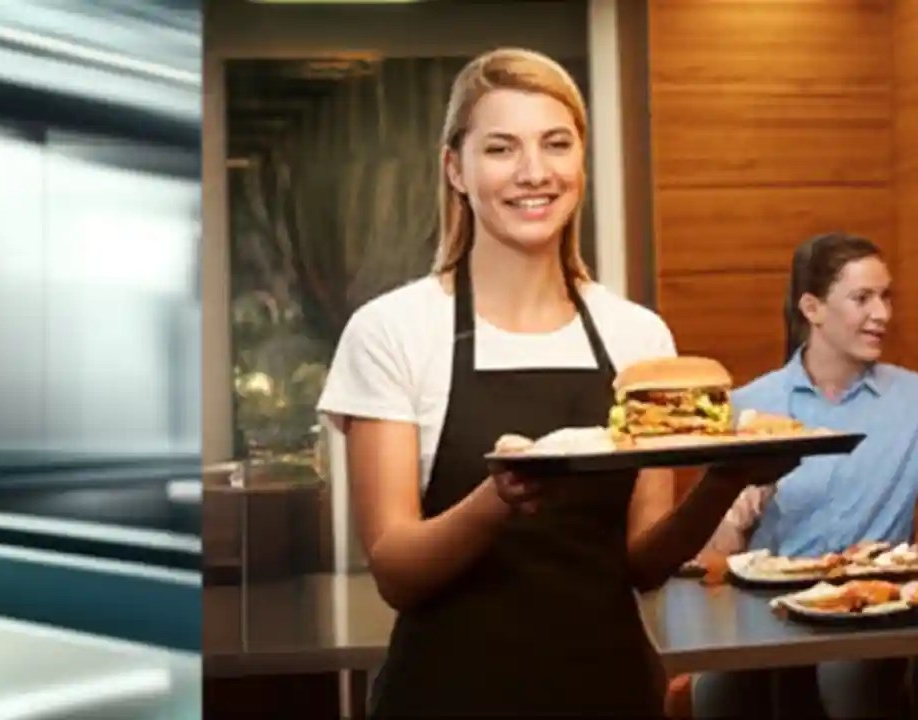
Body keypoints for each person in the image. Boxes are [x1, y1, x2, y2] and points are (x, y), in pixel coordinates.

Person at [315, 47, 791, 718]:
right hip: (446, 696)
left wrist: (725, 480)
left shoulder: (637, 337)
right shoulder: (393, 330)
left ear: (581, 163)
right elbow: (396, 570)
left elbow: (641, 564)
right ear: (456, 168)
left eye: (556, 144)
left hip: (611, 692)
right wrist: (500, 495)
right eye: (501, 149)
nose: (534, 172)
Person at [693, 233, 918, 719]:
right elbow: (710, 558)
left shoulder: (913, 402)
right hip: (764, 609)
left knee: (845, 670)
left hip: (867, 610)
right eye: (862, 298)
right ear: (812, 308)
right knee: (714, 688)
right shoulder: (750, 408)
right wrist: (733, 518)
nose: (882, 313)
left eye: (886, 296)